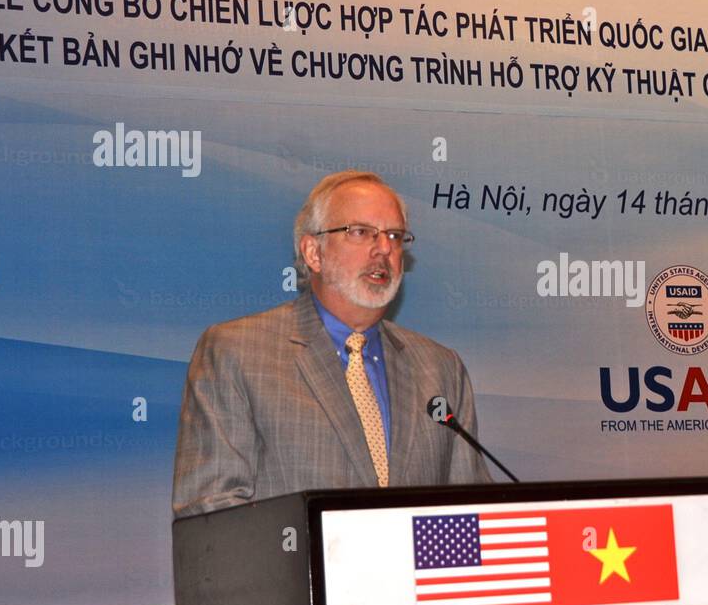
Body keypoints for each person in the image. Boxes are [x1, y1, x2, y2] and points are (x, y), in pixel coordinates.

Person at [172, 170, 491, 517]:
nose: (384, 248)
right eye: (360, 232)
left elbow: (470, 512)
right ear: (314, 252)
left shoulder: (440, 368)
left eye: (395, 236)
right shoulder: (237, 353)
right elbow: (212, 515)